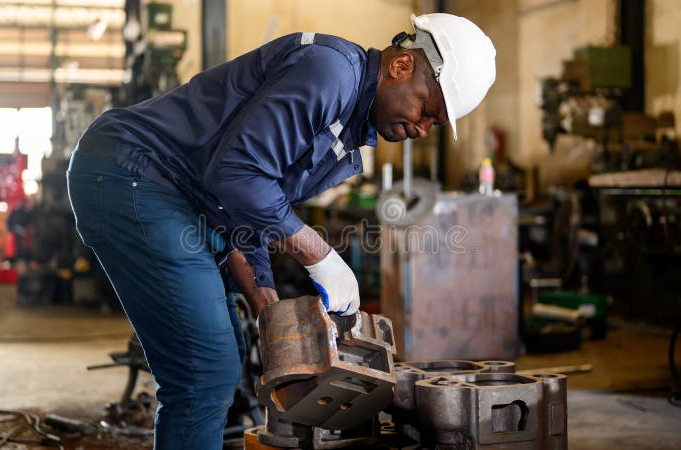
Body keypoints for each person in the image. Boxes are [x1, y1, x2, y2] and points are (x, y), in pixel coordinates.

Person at [67, 13, 495, 450]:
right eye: (426, 109)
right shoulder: (331, 72)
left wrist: (265, 302)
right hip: (133, 173)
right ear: (402, 66)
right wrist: (321, 256)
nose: (422, 129)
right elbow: (236, 176)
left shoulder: (346, 134)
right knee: (204, 370)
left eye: (434, 124)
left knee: (225, 360)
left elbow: (243, 204)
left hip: (175, 194)